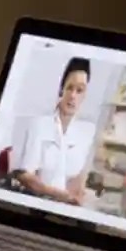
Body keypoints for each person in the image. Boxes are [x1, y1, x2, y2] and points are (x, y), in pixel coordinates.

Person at [10, 57, 98, 206]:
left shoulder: (86, 133)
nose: (73, 96)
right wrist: (57, 194)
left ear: (85, 95)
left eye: (80, 90)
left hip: (66, 207)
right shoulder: (39, 124)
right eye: (69, 88)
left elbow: (79, 181)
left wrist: (78, 196)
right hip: (36, 203)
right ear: (61, 89)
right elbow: (25, 175)